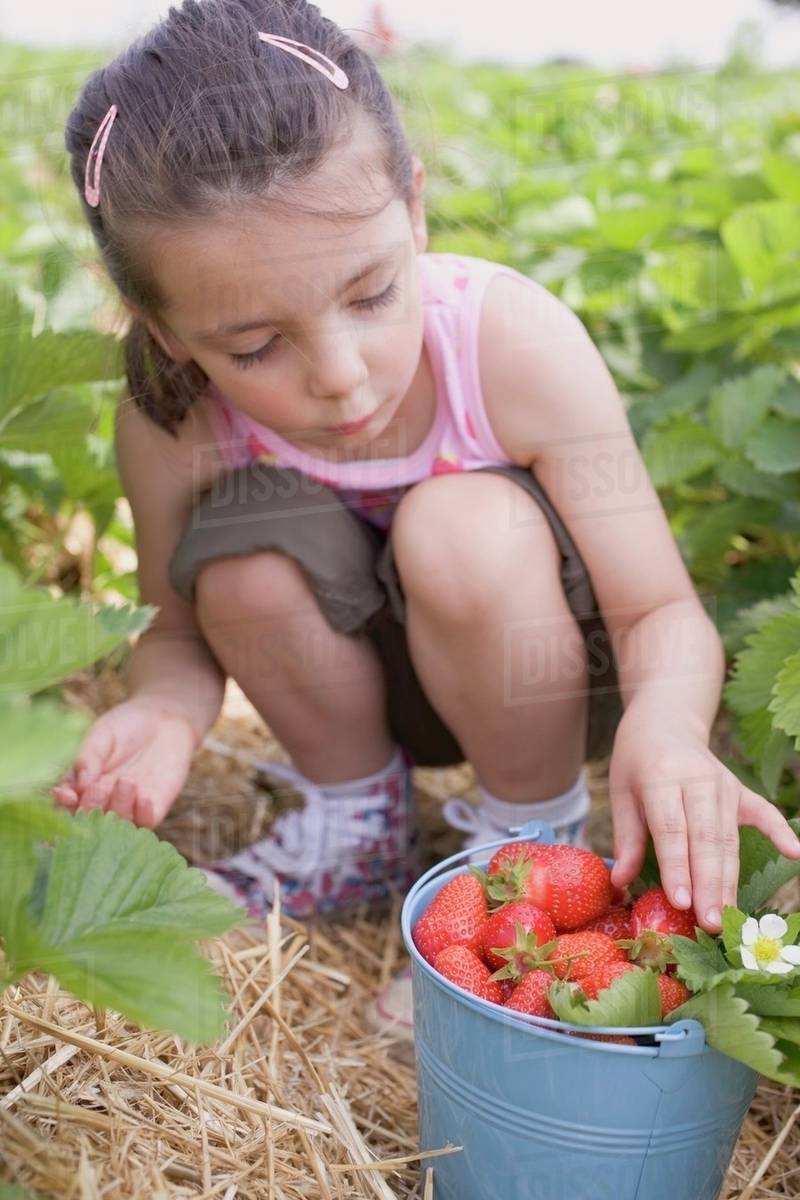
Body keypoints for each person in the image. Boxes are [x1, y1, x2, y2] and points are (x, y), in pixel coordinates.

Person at [56, 0, 800, 1032]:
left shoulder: (507, 343)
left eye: (369, 294)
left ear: (413, 212)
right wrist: (164, 711)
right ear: (164, 329)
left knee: (461, 527)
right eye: (254, 348)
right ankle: (356, 823)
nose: (340, 374)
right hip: (357, 685)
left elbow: (656, 612)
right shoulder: (171, 419)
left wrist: (669, 731)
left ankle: (520, 858)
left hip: (529, 669)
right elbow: (177, 637)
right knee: (237, 562)